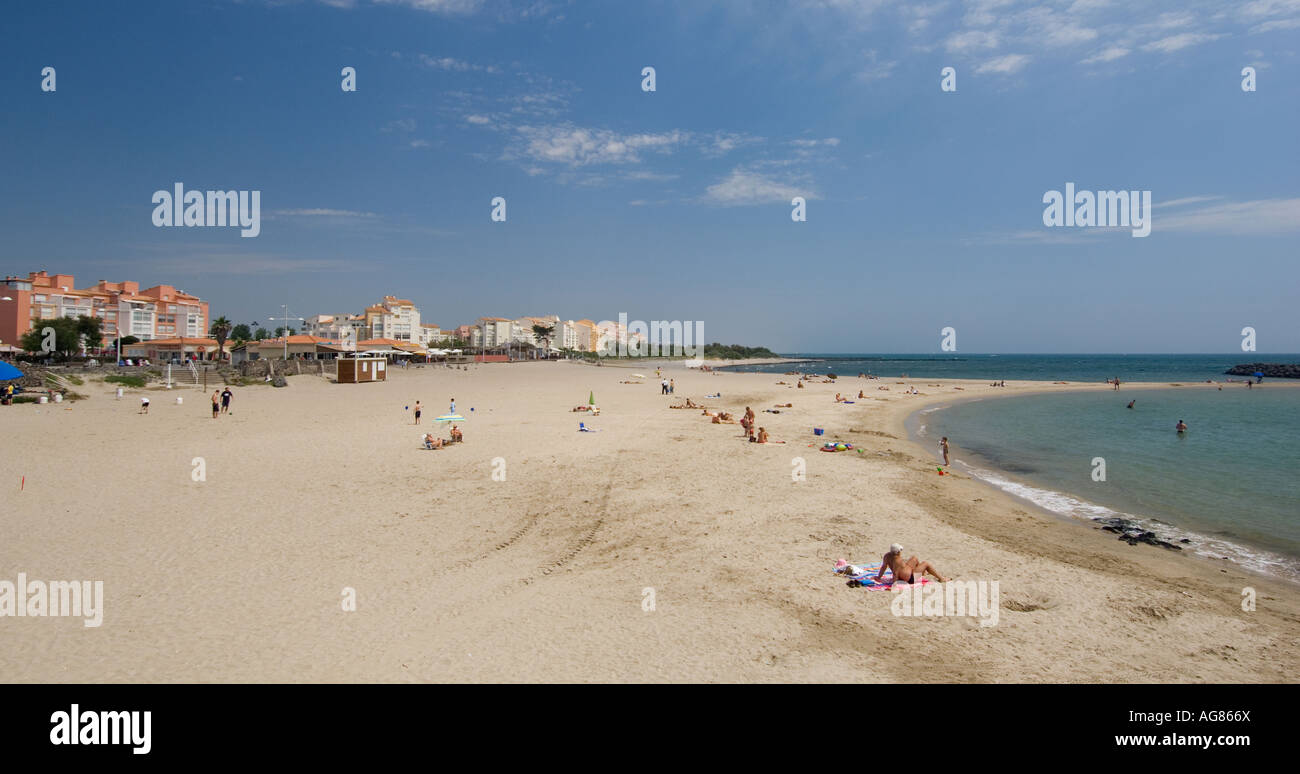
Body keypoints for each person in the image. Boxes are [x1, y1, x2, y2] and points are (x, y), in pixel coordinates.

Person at [875, 543, 948, 585]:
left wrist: (879, 577)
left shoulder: (887, 556)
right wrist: (894, 584)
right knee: (926, 563)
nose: (901, 552)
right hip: (910, 579)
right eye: (900, 550)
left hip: (906, 573)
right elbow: (895, 573)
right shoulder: (898, 560)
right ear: (898, 552)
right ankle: (941, 578)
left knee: (914, 558)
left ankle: (923, 573)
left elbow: (883, 567)